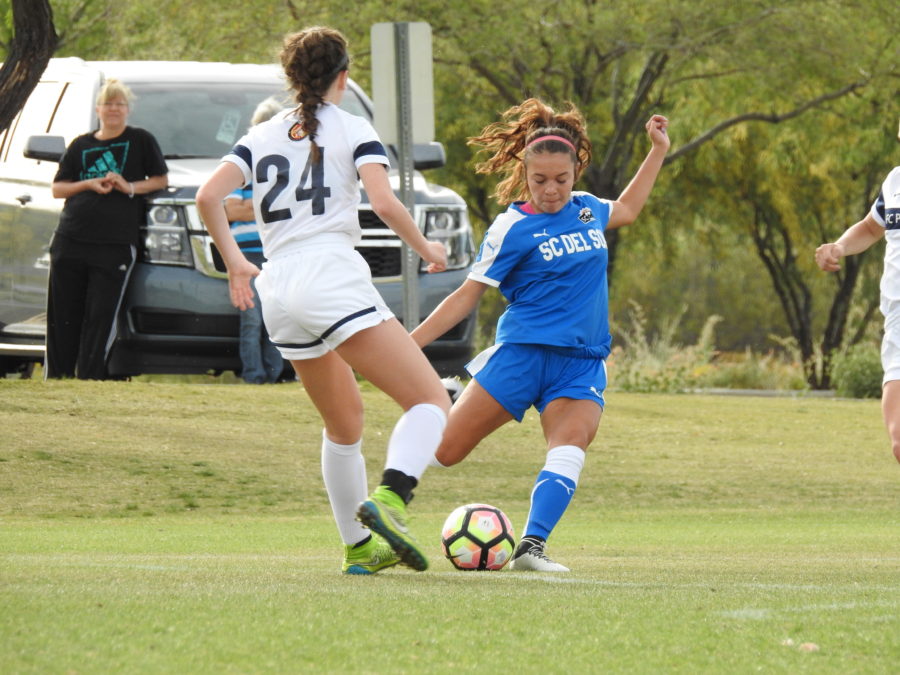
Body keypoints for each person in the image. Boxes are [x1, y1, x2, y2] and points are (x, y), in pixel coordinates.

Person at [196, 26, 451, 574]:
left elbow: (207, 196)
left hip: (279, 288)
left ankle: (359, 548)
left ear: (292, 77)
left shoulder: (261, 134)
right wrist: (427, 245)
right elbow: (383, 202)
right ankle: (390, 498)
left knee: (344, 426)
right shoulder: (353, 126)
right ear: (344, 76)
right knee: (432, 403)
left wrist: (237, 261)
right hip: (329, 276)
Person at [412, 98, 670, 571]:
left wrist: (656, 150)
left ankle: (531, 547)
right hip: (522, 356)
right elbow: (467, 296)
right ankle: (429, 421)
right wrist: (408, 346)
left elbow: (629, 208)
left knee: (571, 444)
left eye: (562, 180)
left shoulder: (590, 211)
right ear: (524, 175)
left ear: (577, 171)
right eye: (540, 180)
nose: (551, 190)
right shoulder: (512, 228)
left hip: (580, 362)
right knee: (446, 453)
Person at [46, 79, 168, 380]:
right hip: (70, 238)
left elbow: (160, 180)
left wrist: (128, 187)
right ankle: (58, 376)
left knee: (101, 315)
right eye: (108, 103)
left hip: (114, 243)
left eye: (119, 104)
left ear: (127, 110)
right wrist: (87, 184)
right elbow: (58, 188)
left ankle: (91, 376)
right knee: (63, 312)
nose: (113, 109)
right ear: (98, 108)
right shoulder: (81, 144)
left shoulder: (140, 139)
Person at [815, 120, 900, 464]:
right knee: (898, 441)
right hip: (898, 317)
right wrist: (839, 246)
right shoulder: (895, 181)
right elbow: (869, 227)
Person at [224, 98, 286, 384]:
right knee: (251, 319)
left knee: (276, 318)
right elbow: (230, 209)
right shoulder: (243, 165)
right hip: (246, 254)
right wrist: (267, 205)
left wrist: (255, 206)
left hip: (276, 253)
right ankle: (253, 375)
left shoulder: (286, 167)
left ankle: (273, 376)